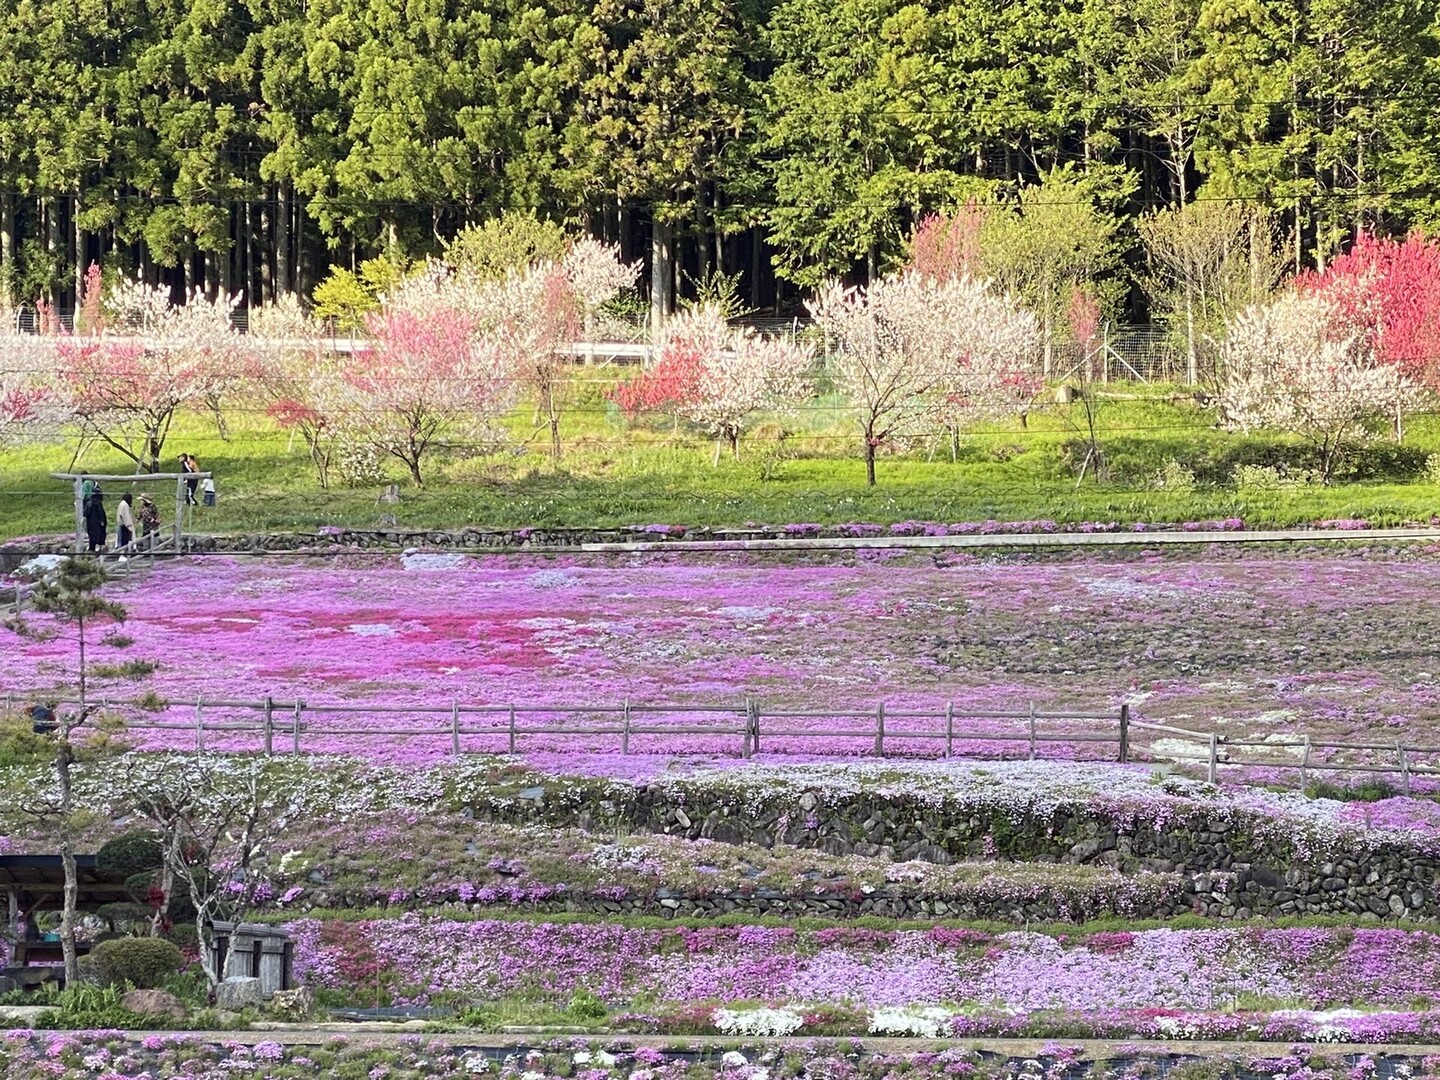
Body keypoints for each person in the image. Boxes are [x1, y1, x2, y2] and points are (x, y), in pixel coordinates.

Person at [84, 485, 107, 552]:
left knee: (91, 535)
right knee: (99, 535)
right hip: (97, 522)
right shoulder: (98, 503)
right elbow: (100, 512)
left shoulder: (89, 502)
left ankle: (92, 548)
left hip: (90, 522)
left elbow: (85, 513)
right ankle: (99, 548)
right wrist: (102, 520)